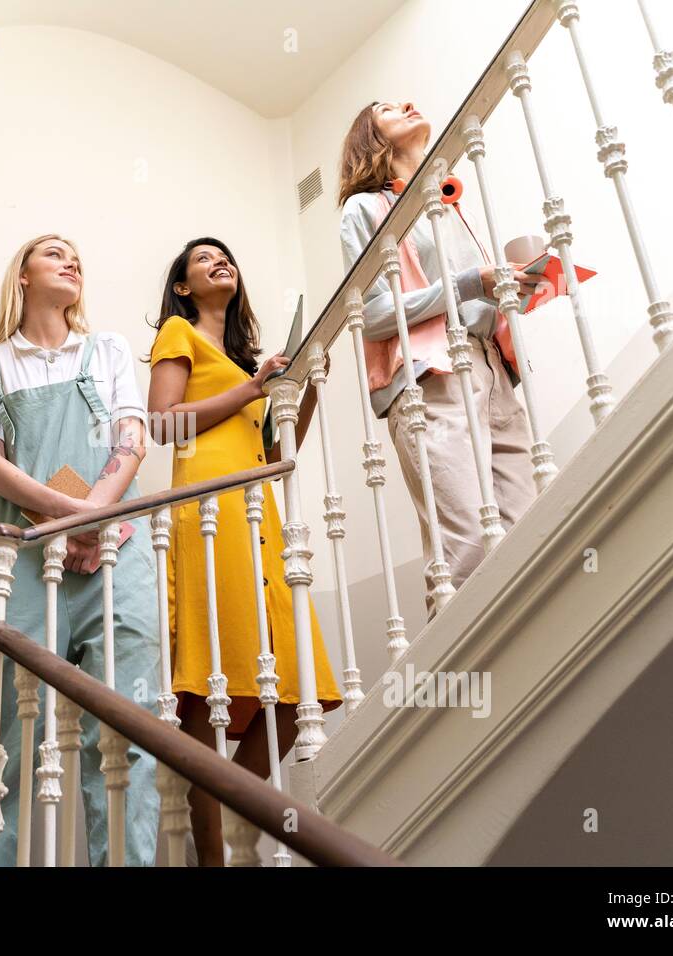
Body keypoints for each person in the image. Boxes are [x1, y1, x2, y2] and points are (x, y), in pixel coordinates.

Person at [0, 234, 161, 866]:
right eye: (52, 252)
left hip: (116, 553)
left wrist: (94, 518)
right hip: (20, 559)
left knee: (128, 729)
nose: (70, 259)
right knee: (11, 736)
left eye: (76, 253)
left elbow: (131, 440)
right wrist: (66, 518)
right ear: (20, 274)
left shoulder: (107, 350)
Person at [146, 236, 342, 866]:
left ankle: (230, 806)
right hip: (207, 517)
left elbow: (279, 454)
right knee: (211, 690)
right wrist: (253, 389)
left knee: (294, 688)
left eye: (225, 254)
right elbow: (164, 424)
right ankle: (212, 859)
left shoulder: (247, 365)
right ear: (183, 286)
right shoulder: (179, 336)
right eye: (203, 259)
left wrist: (300, 390)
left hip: (259, 518)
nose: (218, 261)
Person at [338, 100, 541, 615]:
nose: (407, 104)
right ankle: (462, 686)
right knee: (466, 544)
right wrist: (474, 282)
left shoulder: (447, 207)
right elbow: (373, 313)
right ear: (370, 139)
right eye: (388, 108)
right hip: (428, 378)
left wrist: (515, 284)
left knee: (527, 530)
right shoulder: (363, 210)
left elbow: (467, 293)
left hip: (491, 370)